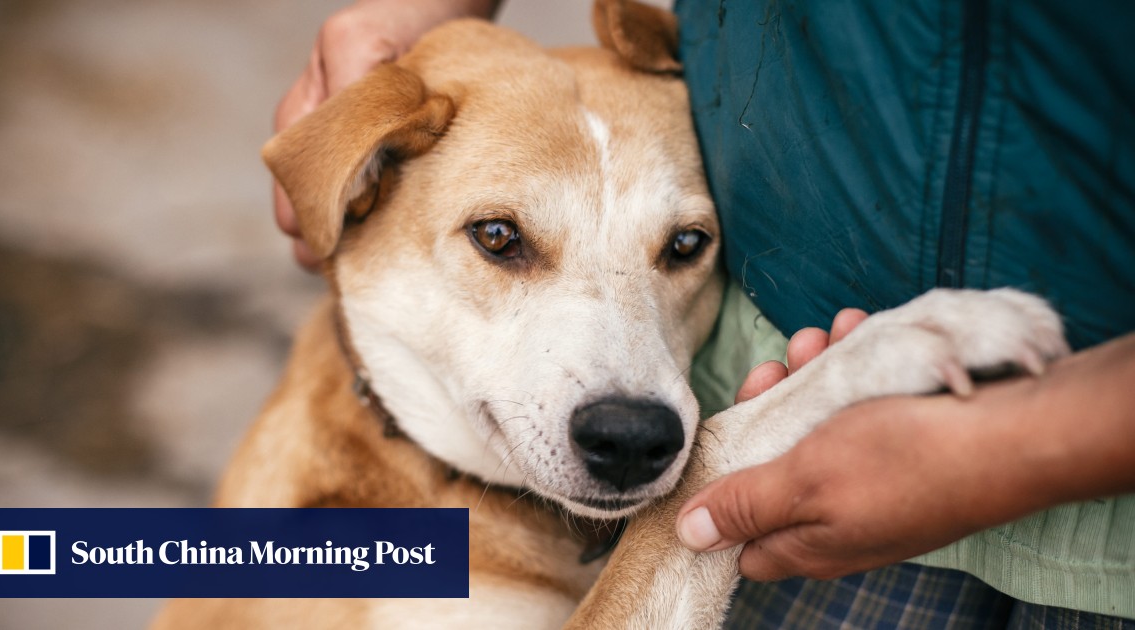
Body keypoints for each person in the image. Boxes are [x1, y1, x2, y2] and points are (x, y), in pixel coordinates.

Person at [271, 1, 1135, 626]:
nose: (622, 394)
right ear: (362, 184)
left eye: (680, 247)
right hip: (817, 433)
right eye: (503, 239)